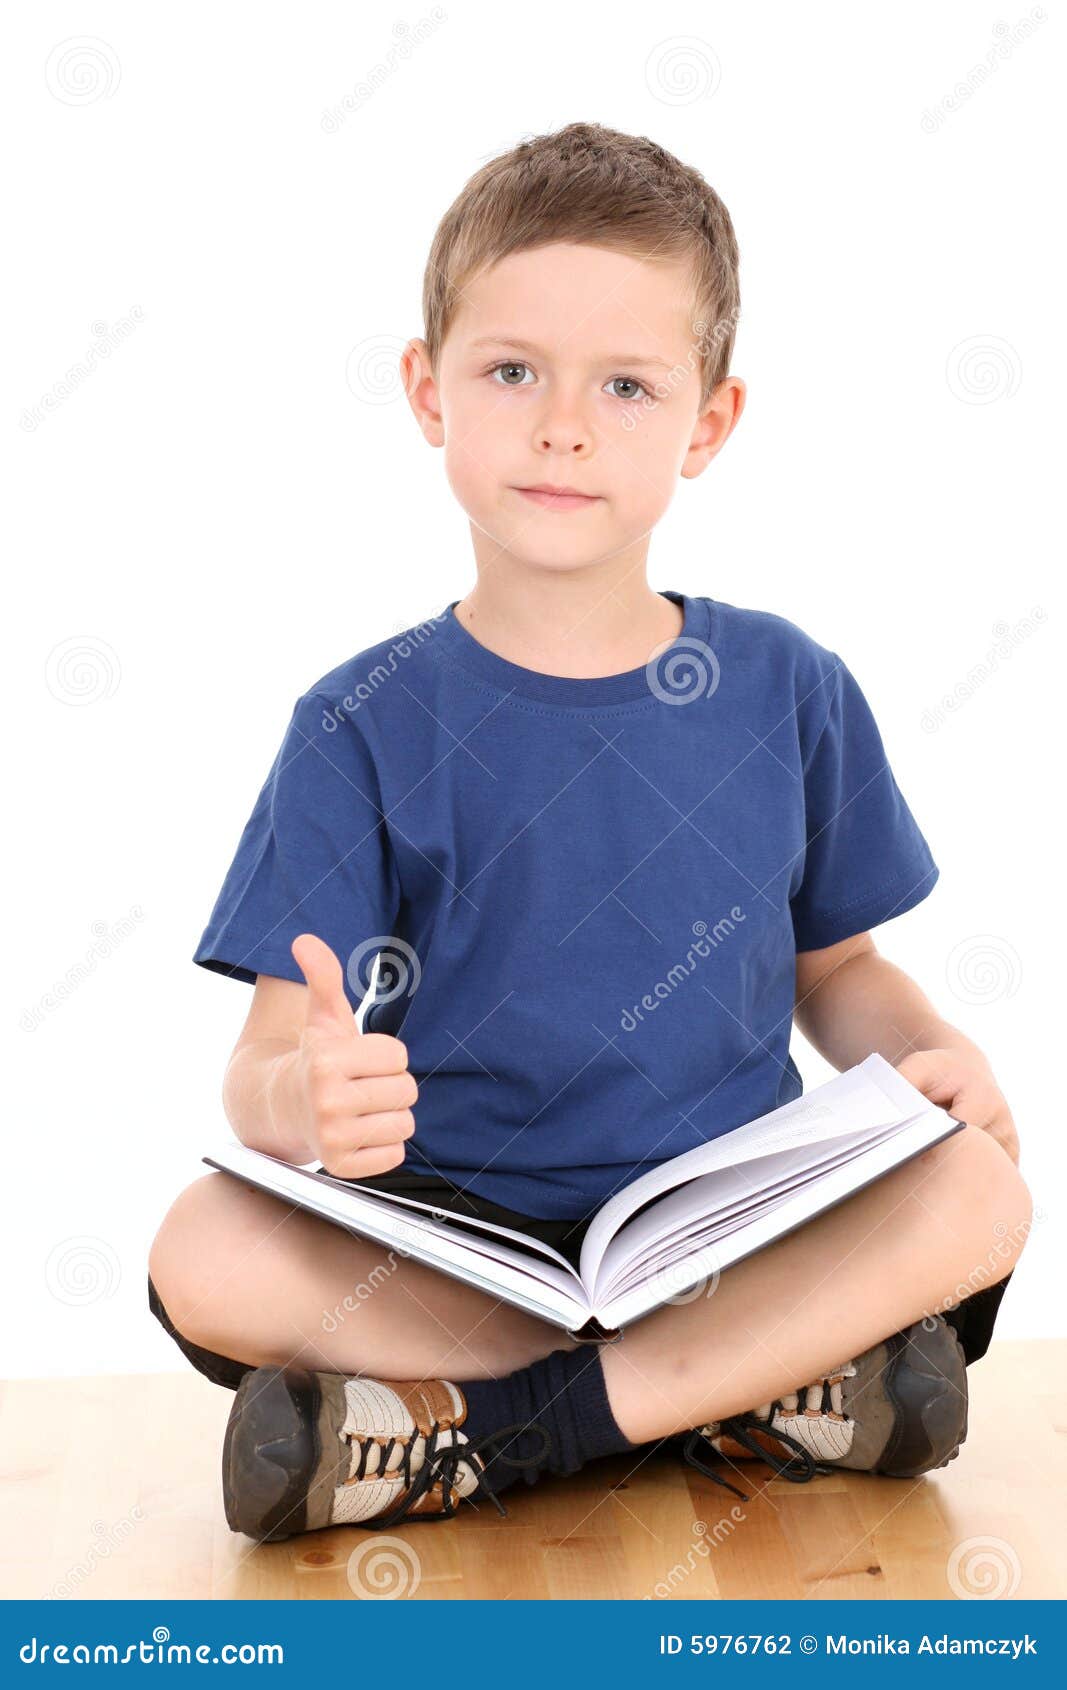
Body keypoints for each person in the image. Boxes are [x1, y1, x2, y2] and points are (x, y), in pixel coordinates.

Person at [148, 122, 1030, 1543]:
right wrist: (303, 1103)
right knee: (201, 1249)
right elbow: (259, 1068)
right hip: (456, 1250)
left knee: (978, 1190)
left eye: (626, 384)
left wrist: (939, 1057)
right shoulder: (359, 719)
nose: (564, 425)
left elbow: (842, 972)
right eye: (513, 372)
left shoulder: (787, 684)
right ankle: (756, 1390)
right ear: (428, 392)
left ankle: (483, 1434)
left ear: (708, 424)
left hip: (731, 1231)